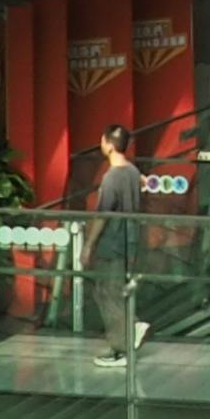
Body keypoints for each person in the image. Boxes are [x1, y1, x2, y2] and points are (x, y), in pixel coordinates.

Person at [83, 122, 152, 341]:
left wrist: (88, 245)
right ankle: (124, 338)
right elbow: (142, 187)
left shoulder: (111, 178)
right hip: (130, 240)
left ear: (109, 145)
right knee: (112, 291)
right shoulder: (133, 171)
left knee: (107, 292)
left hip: (111, 244)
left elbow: (103, 215)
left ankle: (126, 337)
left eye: (103, 140)